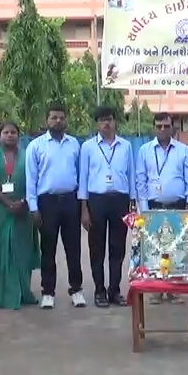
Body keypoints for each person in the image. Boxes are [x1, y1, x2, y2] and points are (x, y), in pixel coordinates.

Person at [25, 104, 85, 309]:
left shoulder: (75, 144)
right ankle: (47, 292)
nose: (57, 121)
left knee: (73, 248)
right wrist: (34, 207)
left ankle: (76, 290)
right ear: (46, 120)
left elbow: (81, 175)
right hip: (47, 202)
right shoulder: (36, 146)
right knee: (48, 249)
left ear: (66, 120)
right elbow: (31, 179)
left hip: (70, 200)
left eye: (61, 117)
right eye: (53, 118)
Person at [135, 113, 188, 304]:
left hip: (178, 206)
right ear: (154, 127)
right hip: (152, 206)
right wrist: (144, 210)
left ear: (173, 128)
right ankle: (156, 289)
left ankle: (173, 289)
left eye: (166, 126)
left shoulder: (183, 150)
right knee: (155, 249)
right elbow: (140, 180)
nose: (163, 129)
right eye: (159, 126)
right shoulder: (145, 150)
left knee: (176, 249)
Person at [79, 106, 134, 308]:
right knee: (97, 248)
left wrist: (133, 201)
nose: (106, 123)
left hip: (120, 200)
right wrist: (84, 208)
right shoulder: (88, 147)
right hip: (96, 200)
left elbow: (131, 174)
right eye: (102, 120)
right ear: (97, 124)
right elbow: (82, 178)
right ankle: (99, 290)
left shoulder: (126, 146)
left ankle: (115, 290)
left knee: (118, 248)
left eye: (109, 119)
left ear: (115, 121)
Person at [0, 121, 39, 309]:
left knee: (21, 250)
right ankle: (1, 294)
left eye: (13, 132)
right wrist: (7, 203)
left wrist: (23, 202)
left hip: (23, 209)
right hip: (0, 209)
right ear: (0, 136)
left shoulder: (27, 155)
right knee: (1, 251)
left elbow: (35, 179)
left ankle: (23, 291)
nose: (10, 135)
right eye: (6, 132)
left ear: (18, 135)